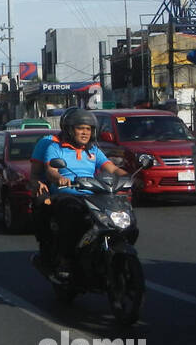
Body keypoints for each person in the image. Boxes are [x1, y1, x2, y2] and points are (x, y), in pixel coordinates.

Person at [29, 108, 126, 278]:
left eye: (88, 129)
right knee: (71, 215)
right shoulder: (54, 147)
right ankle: (65, 260)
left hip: (94, 193)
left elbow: (112, 168)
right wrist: (59, 178)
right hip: (67, 193)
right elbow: (50, 170)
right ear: (69, 129)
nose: (85, 132)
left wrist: (129, 177)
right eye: (80, 128)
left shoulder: (93, 150)